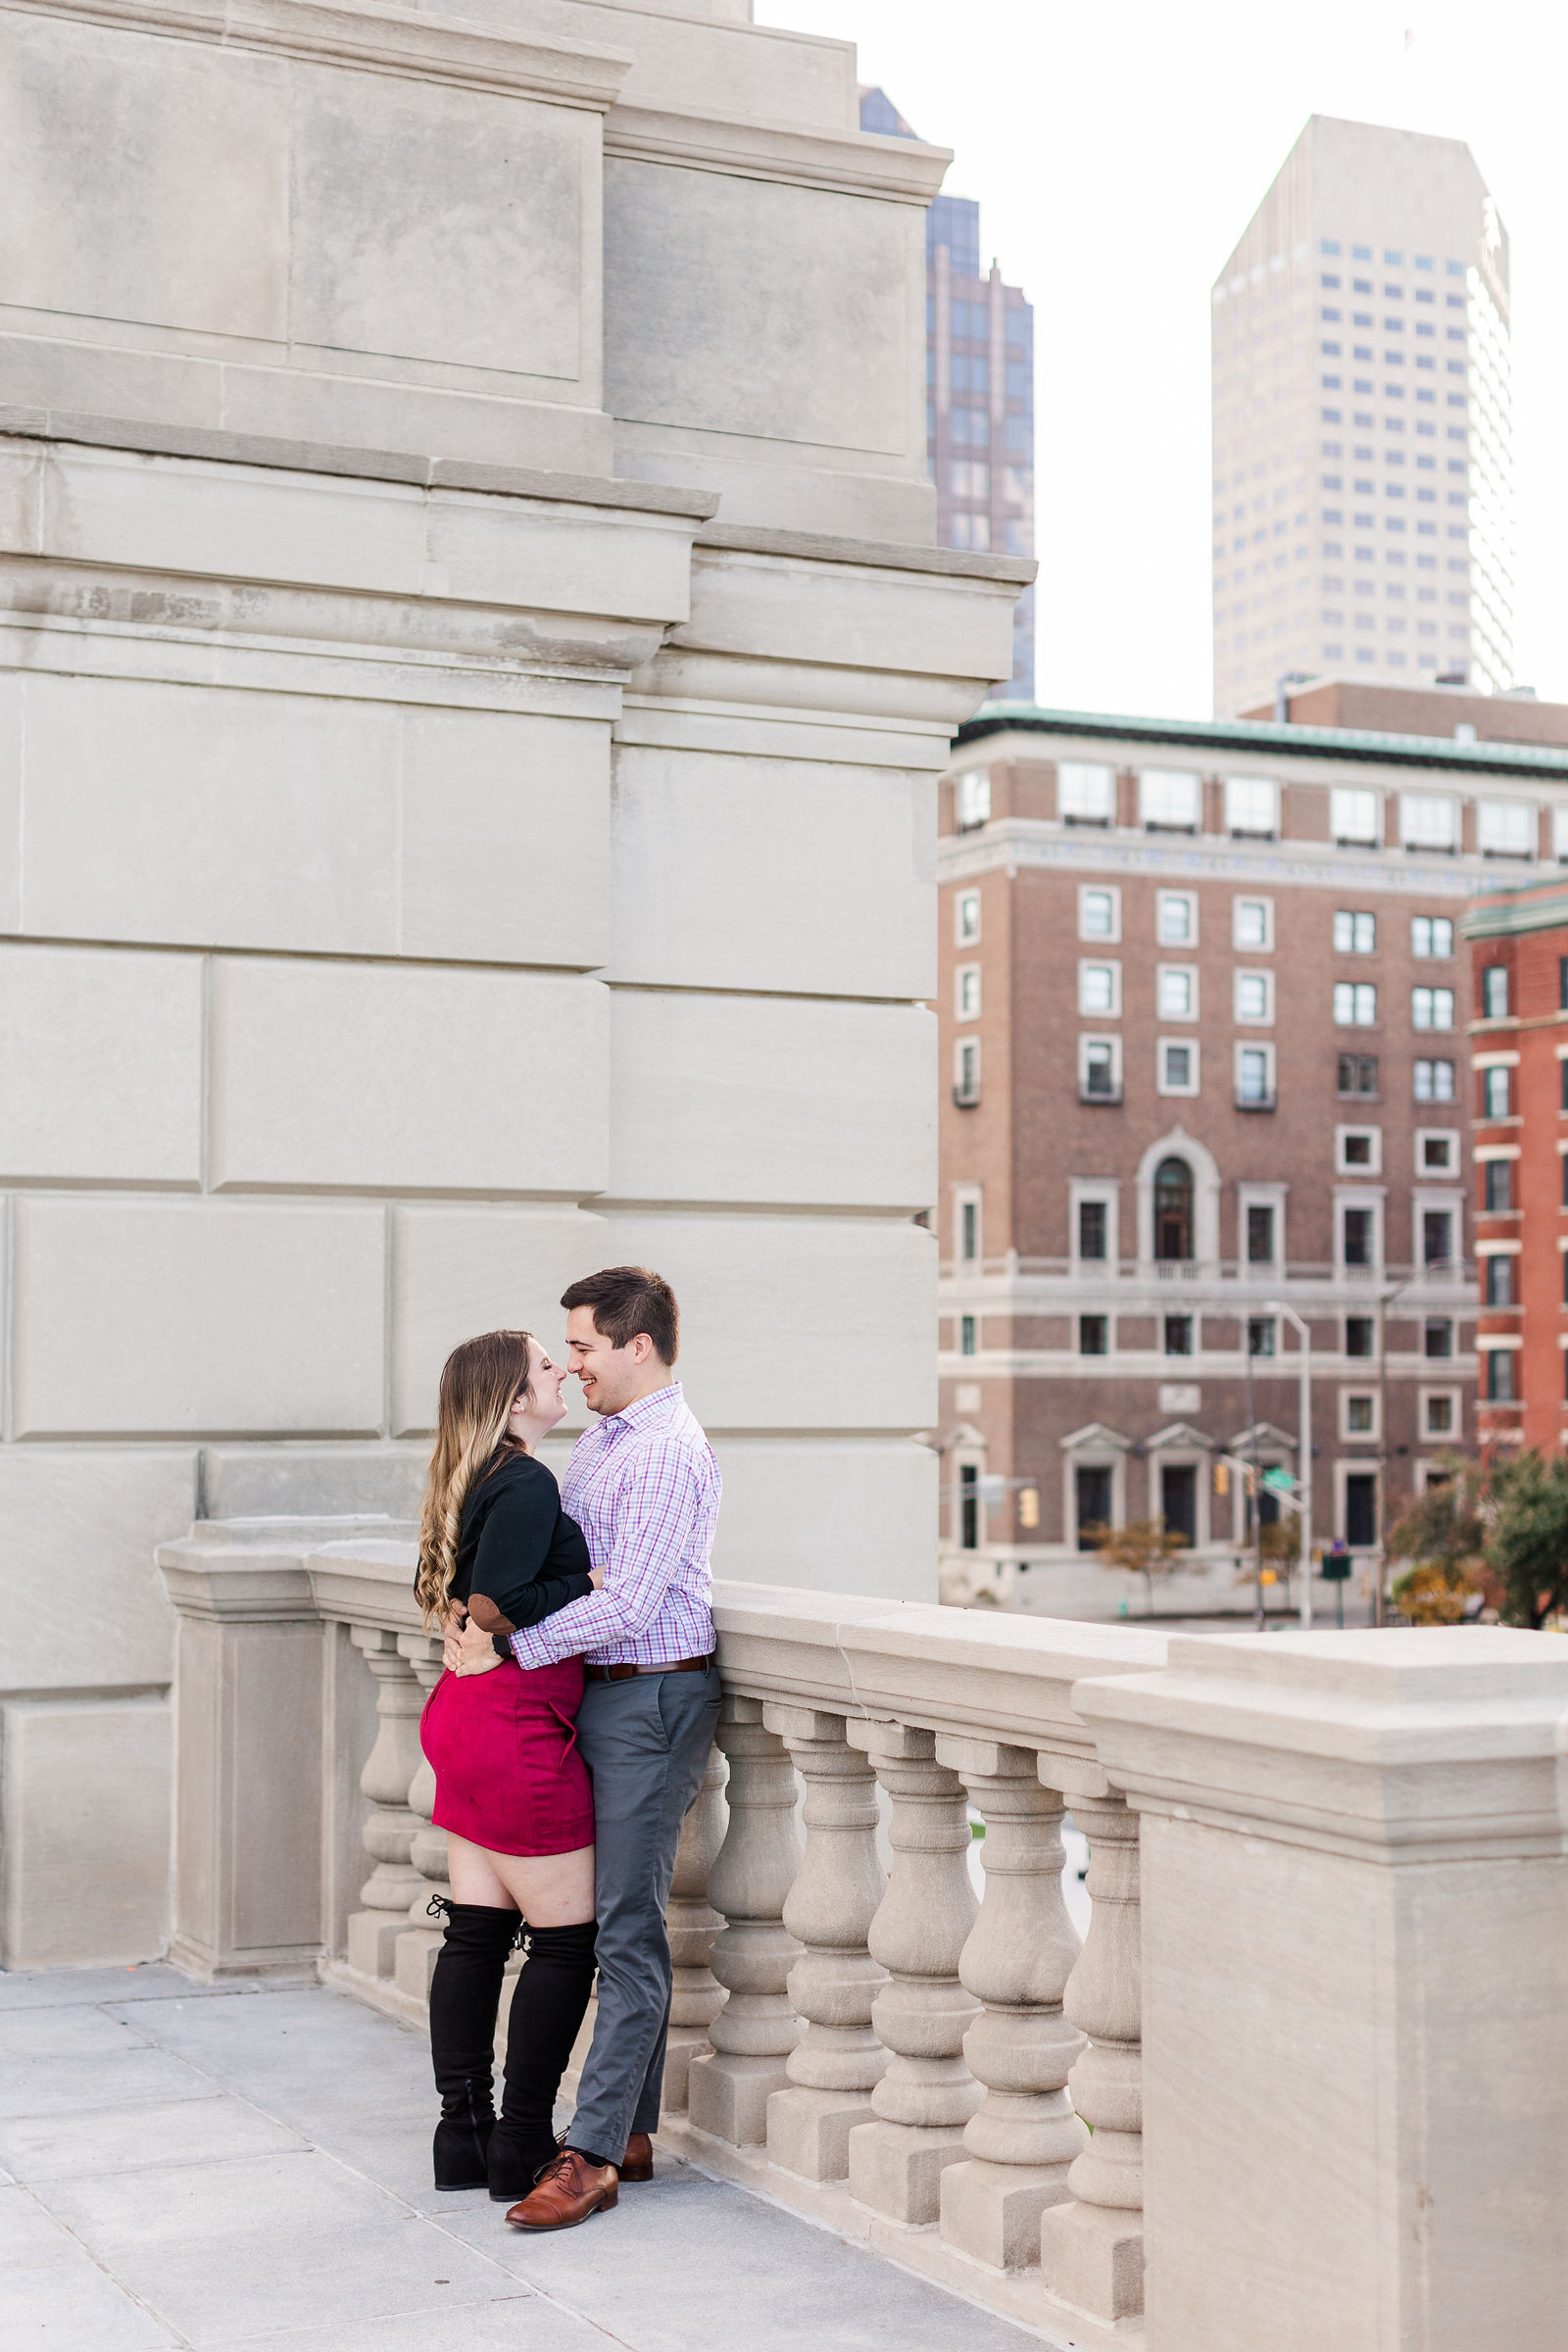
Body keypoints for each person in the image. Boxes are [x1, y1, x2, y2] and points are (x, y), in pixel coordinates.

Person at [445, 1265, 720, 2233]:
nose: (575, 1364)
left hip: (649, 1699)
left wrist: (509, 1643)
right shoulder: (606, 1441)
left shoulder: (664, 1454)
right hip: (594, 1700)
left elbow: (630, 1604)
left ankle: (593, 2154)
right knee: (615, 1921)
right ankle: (630, 2131)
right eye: (567, 1350)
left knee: (624, 1926)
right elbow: (576, 1576)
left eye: (586, 1348)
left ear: (636, 1345)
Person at [416, 1329, 604, 2203]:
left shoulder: (475, 1474)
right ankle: (521, 2140)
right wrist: (590, 1585)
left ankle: (464, 2132)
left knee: (478, 1932)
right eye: (543, 1364)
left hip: (466, 1723)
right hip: (518, 1726)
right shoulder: (526, 1477)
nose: (561, 1369)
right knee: (565, 1945)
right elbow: (497, 1606)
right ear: (513, 1399)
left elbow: (470, 1599)